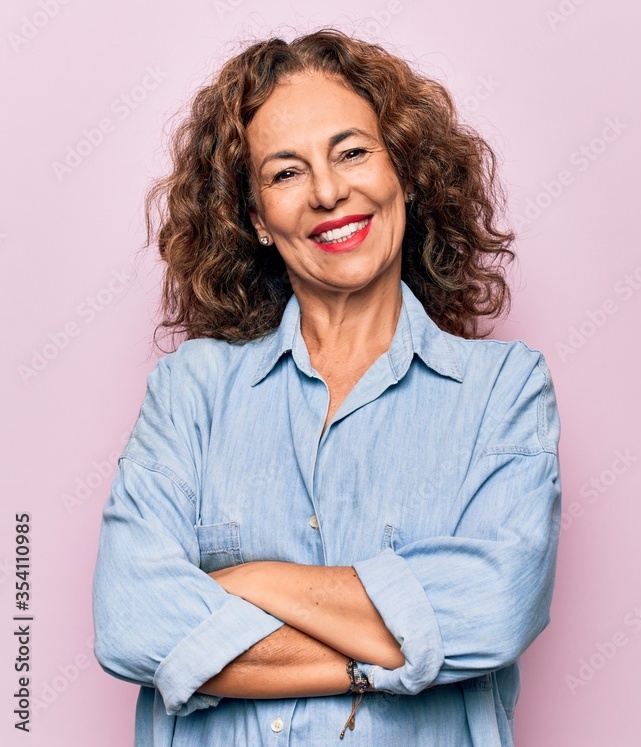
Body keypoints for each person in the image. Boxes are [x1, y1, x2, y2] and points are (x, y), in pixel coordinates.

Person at [92, 27, 562, 746]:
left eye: (352, 152)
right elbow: (130, 619)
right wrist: (388, 650)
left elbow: (495, 609)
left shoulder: (503, 391)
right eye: (285, 173)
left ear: (402, 172)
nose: (329, 191)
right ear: (255, 219)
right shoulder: (192, 392)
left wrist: (248, 579)